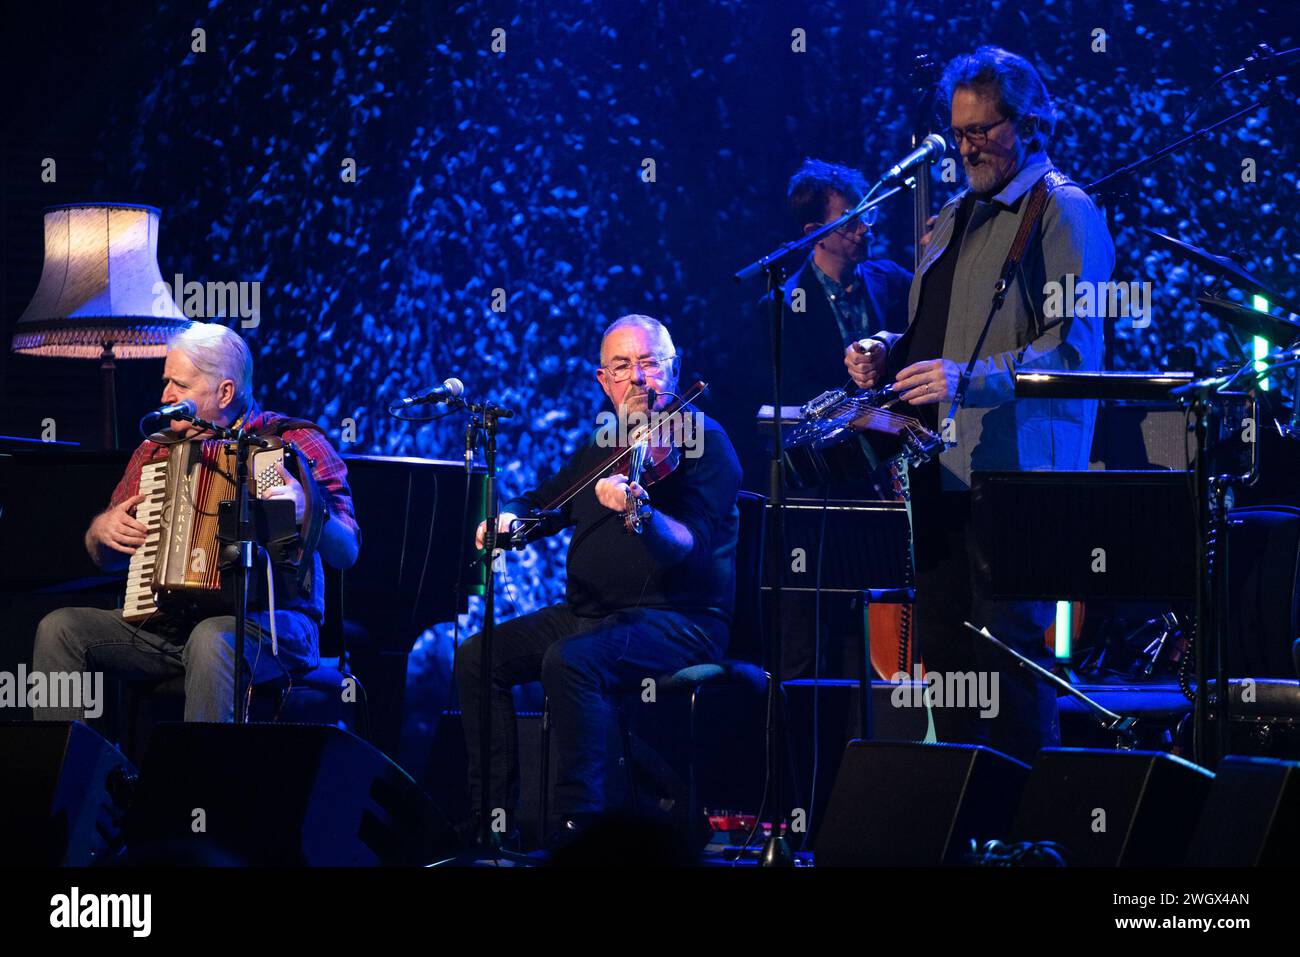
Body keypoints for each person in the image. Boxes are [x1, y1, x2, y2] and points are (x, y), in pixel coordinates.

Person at [844, 46, 1115, 760]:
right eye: (959, 132)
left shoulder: (1064, 211)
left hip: (1017, 485)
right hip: (941, 478)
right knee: (949, 671)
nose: (967, 147)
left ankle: (1033, 844)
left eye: (982, 131)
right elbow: (937, 334)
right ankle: (967, 838)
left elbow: (1075, 353)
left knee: (1011, 672)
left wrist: (969, 378)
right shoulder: (954, 217)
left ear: (1030, 123)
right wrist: (885, 350)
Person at [455, 314, 742, 844]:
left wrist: (643, 517)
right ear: (602, 380)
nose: (637, 378)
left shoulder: (704, 441)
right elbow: (548, 500)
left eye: (650, 363)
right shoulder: (605, 440)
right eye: (622, 366)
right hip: (594, 614)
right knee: (479, 655)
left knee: (571, 661)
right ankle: (488, 826)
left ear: (673, 371)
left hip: (680, 620)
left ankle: (579, 830)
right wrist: (508, 519)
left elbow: (691, 549)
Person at [32, 322, 360, 722]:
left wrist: (309, 511)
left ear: (225, 392)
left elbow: (347, 552)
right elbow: (106, 559)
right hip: (169, 625)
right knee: (60, 628)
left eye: (180, 386)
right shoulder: (159, 452)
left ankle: (200, 783)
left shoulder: (280, 448)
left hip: (274, 625)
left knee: (212, 637)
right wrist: (102, 533)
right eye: (166, 381)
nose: (165, 396)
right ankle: (70, 781)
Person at [780, 159, 912, 404]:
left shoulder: (893, 278)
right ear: (814, 234)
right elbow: (793, 391)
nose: (865, 229)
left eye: (867, 214)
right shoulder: (785, 305)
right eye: (851, 221)